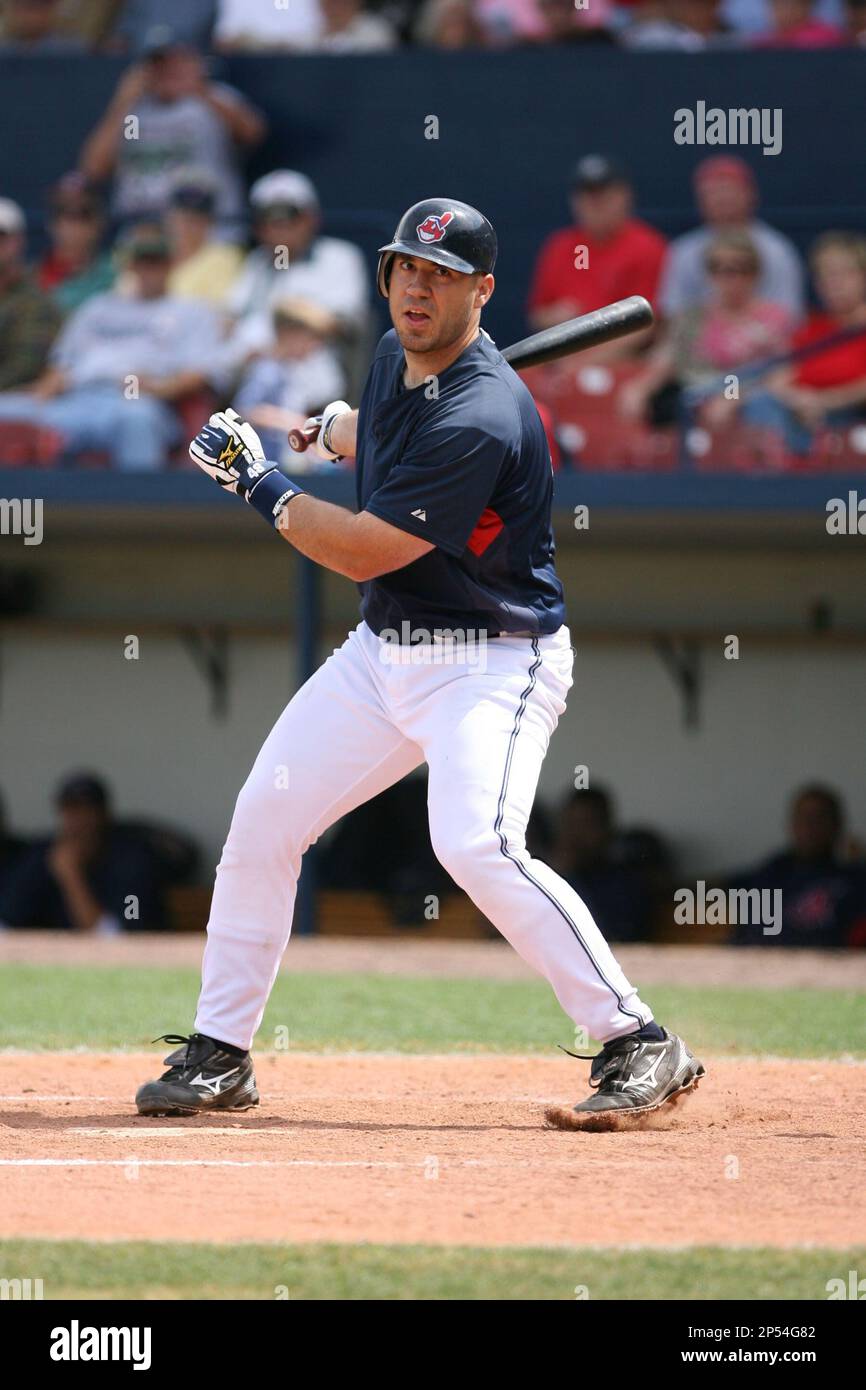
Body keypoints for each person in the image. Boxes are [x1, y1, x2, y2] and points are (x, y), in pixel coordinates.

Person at [134, 196, 704, 1128]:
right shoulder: (400, 359)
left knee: (474, 841)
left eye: (441, 275)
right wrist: (343, 432)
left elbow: (362, 547)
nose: (417, 287)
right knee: (264, 820)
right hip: (383, 652)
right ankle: (221, 1053)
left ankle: (638, 1039)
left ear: (481, 290)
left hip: (490, 658)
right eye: (406, 268)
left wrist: (260, 479)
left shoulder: (482, 415)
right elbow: (392, 431)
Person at [0, 223, 223, 471]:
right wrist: (39, 399)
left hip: (139, 401)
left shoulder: (191, 311)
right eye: (142, 260)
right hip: (77, 399)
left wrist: (158, 388)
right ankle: (25, 508)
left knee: (136, 420)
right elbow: (61, 367)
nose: (148, 268)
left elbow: (199, 375)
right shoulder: (98, 307)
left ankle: (142, 508)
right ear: (129, 264)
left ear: (171, 263)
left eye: (156, 260)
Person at [78, 27, 266, 237]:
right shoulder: (134, 112)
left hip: (208, 233)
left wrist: (198, 88)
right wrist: (123, 101)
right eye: (158, 63)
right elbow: (93, 169)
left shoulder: (211, 100)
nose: (167, 70)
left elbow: (253, 133)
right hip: (142, 236)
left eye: (175, 61)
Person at [618, 230, 794, 427]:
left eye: (741, 268)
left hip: (746, 404)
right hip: (692, 399)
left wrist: (733, 397)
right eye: (719, 269)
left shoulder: (774, 319)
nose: (730, 277)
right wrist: (642, 387)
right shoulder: (692, 316)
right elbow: (668, 358)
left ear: (756, 273)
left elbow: (781, 375)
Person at [738, 231, 866, 453]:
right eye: (825, 276)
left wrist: (823, 401)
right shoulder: (811, 328)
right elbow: (779, 377)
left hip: (849, 418)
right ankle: (774, 476)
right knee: (760, 401)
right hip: (802, 415)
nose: (833, 284)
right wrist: (798, 400)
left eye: (843, 274)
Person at [526, 155, 666, 353]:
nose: (595, 203)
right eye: (587, 195)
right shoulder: (560, 246)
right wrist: (555, 317)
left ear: (624, 196)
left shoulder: (647, 246)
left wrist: (591, 359)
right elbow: (536, 315)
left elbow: (650, 322)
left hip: (624, 361)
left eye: (604, 195)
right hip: (563, 357)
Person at [0, 774, 168, 932]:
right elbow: (7, 922)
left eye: (86, 810)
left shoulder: (132, 861)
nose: (78, 821)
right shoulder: (45, 856)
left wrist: (71, 875)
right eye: (70, 810)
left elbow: (119, 938)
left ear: (104, 814)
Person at [658, 155, 804, 320]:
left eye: (729, 190)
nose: (722, 199)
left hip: (765, 340)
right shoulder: (683, 251)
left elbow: (790, 315)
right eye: (713, 192)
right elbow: (672, 313)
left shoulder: (777, 249)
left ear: (751, 194)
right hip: (696, 341)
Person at [728, 785, 866, 948]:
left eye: (818, 818)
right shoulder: (772, 871)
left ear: (837, 825)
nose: (809, 827)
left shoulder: (853, 879)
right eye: (803, 818)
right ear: (791, 824)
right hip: (753, 963)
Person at [233, 297, 346, 466]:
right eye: (310, 338)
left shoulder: (295, 371)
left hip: (290, 459)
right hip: (263, 463)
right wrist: (291, 422)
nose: (314, 346)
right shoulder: (266, 370)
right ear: (288, 335)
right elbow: (244, 412)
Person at [547, 788, 654, 942]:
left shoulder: (626, 884)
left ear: (608, 830)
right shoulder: (540, 873)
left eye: (586, 824)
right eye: (570, 824)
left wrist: (568, 876)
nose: (576, 835)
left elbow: (605, 938)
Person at [0, 198, 62, 394]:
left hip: (13, 402)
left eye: (1, 237)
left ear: (19, 241)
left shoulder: (36, 303)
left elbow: (26, 365)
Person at [36, 174, 115, 316]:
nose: (73, 222)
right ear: (51, 223)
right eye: (62, 212)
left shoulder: (118, 275)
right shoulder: (31, 278)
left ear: (100, 222)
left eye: (84, 213)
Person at [165, 170, 244, 307]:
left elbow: (219, 314)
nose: (189, 225)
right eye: (184, 216)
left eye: (198, 218)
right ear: (170, 217)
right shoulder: (152, 252)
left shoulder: (225, 257)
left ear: (210, 222)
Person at [0, 0, 87, 54]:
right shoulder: (4, 51)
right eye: (26, 6)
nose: (31, 16)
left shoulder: (72, 52)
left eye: (38, 6)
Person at [754, 0, 847, 43]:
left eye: (788, 4)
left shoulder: (827, 36)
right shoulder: (763, 41)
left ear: (807, 5)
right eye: (776, 4)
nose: (783, 11)